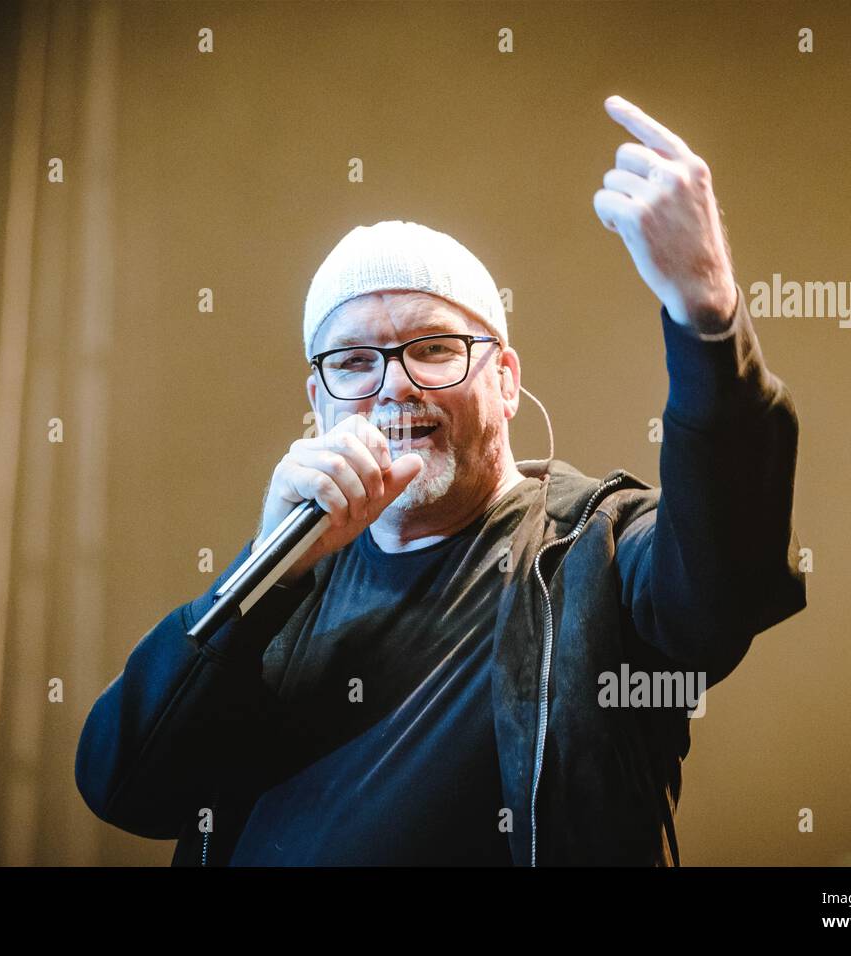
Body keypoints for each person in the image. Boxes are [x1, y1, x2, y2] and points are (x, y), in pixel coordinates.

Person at [75, 96, 807, 866]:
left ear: (507, 380)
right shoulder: (281, 592)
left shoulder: (596, 551)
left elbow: (730, 579)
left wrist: (707, 314)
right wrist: (261, 576)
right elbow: (123, 788)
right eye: (355, 362)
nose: (394, 385)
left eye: (432, 348)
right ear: (316, 402)